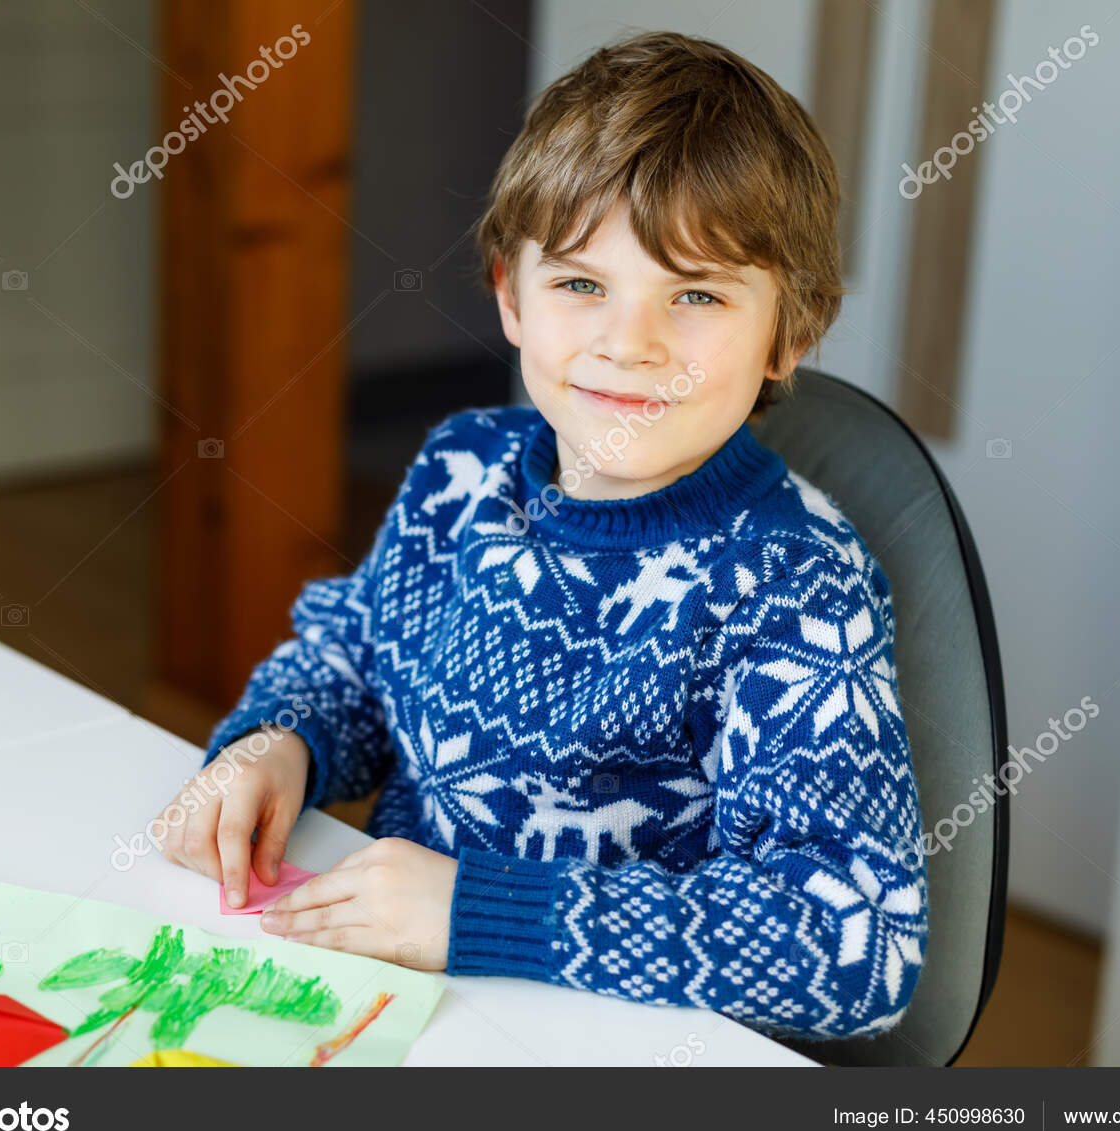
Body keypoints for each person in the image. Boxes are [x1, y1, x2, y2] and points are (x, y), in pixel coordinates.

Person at [154, 29, 927, 1043]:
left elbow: (853, 944)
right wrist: (277, 741)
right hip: (408, 1010)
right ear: (510, 295)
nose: (629, 341)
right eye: (580, 284)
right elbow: (355, 657)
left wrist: (482, 914)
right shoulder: (462, 469)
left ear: (791, 333)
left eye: (695, 294)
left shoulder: (796, 587)